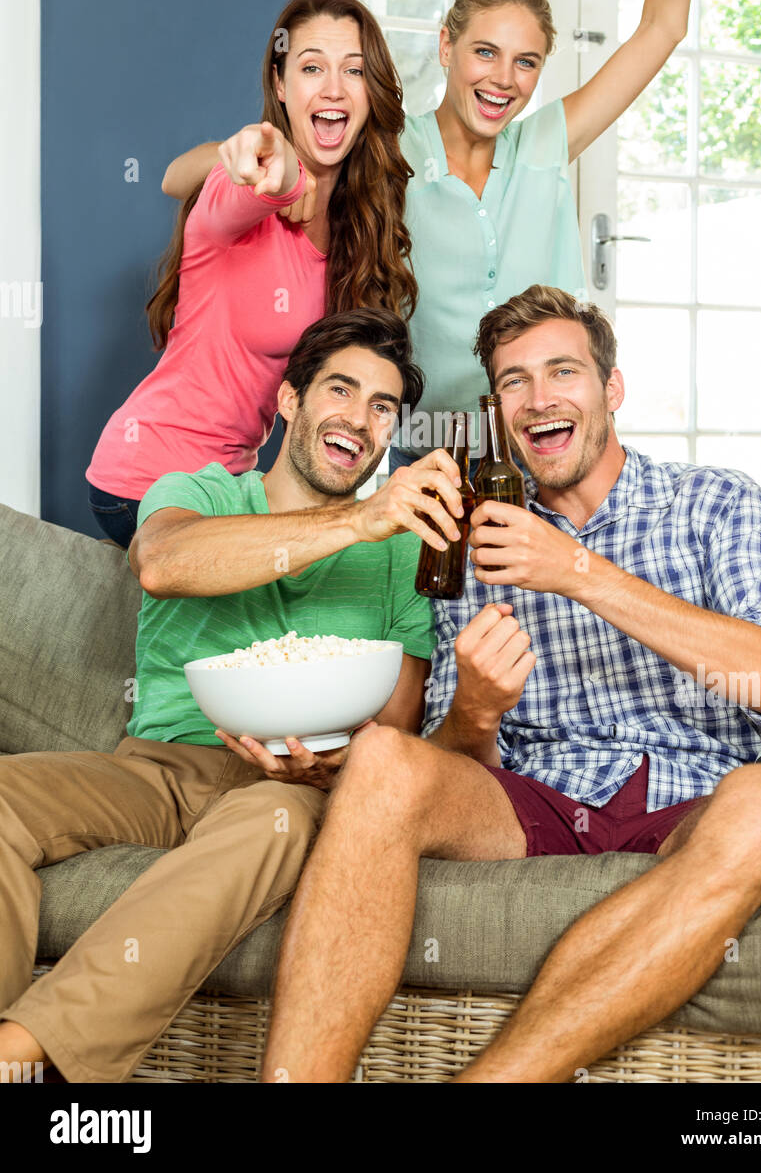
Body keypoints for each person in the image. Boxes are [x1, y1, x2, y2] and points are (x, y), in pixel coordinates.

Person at [253, 285, 761, 1084]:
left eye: (564, 371)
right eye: (514, 381)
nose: (539, 397)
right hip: (539, 800)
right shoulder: (470, 538)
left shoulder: (713, 502)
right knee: (382, 759)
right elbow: (453, 757)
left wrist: (581, 573)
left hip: (693, 800)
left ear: (611, 389)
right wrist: (478, 711)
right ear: (498, 408)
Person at [0, 308, 469, 1084]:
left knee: (280, 822)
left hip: (287, 786)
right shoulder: (200, 492)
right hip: (155, 768)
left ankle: (27, 1055)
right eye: (341, 390)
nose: (359, 417)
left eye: (383, 407)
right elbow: (163, 563)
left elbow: (396, 725)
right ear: (290, 401)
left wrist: (330, 768)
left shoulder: (400, 557)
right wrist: (354, 522)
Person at [163, 0, 697, 478]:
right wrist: (261, 159)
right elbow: (178, 177)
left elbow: (663, 27)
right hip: (429, 452)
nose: (503, 79)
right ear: (446, 47)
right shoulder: (388, 149)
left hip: (546, 443)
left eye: (526, 62)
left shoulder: (547, 142)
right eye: (484, 52)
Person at [85, 0, 418, 546]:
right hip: (145, 484)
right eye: (312, 67)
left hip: (230, 485)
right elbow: (250, 170)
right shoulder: (236, 199)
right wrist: (281, 172)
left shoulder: (355, 231)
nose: (333, 87)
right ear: (282, 86)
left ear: (371, 90)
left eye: (354, 70)